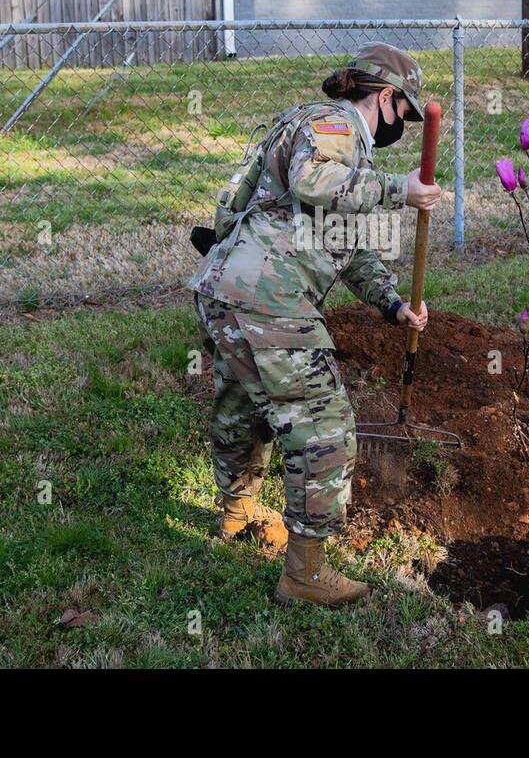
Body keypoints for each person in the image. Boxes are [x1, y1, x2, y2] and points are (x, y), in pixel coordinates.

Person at [188, 42, 440, 606]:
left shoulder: (301, 123)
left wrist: (392, 305)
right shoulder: (336, 125)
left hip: (225, 288)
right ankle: (304, 576)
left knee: (243, 406)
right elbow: (311, 181)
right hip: (268, 297)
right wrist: (401, 189)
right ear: (385, 97)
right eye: (405, 110)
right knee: (325, 427)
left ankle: (235, 515)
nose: (404, 122)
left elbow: (338, 243)